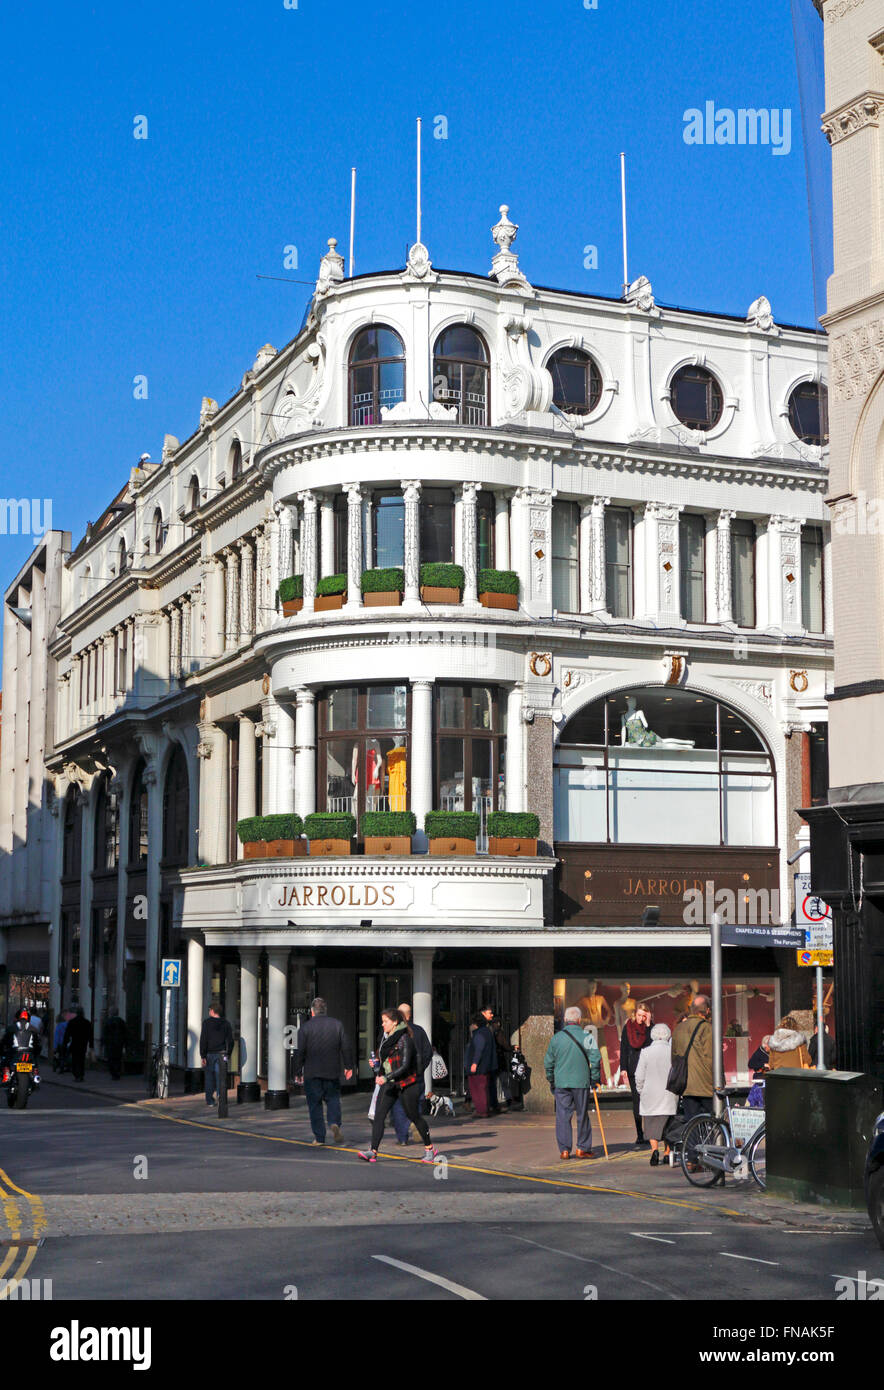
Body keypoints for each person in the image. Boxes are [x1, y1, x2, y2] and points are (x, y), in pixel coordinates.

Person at [358, 1008, 439, 1164]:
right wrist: (376, 1065)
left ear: (395, 1022)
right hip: (390, 1082)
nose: (382, 1025)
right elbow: (385, 1062)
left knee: (413, 1115)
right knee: (379, 1115)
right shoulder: (384, 1038)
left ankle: (430, 1149)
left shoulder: (404, 1039)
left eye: (385, 1021)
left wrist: (385, 1078)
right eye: (382, 1021)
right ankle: (373, 1151)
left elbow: (405, 1066)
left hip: (407, 1082)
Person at [543, 1005, 602, 1159]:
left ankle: (564, 1150)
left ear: (565, 1019)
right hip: (581, 1082)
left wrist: (551, 1079)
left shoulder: (556, 1038)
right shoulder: (587, 1036)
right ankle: (582, 1148)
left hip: (561, 1082)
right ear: (579, 1020)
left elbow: (548, 1062)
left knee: (563, 1116)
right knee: (582, 1114)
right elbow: (595, 1059)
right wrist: (594, 1078)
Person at [293, 997, 354, 1144]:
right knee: (333, 1100)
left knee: (315, 1105)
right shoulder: (337, 1025)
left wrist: (297, 1072)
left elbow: (299, 1051)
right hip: (332, 1071)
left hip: (312, 1072)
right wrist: (348, 1066)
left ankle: (319, 1137)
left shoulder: (305, 1028)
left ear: (312, 1012)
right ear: (325, 1010)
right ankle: (334, 1123)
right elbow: (346, 1046)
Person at [634, 1023, 678, 1167]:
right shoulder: (673, 1051)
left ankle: (654, 1150)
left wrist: (641, 1090)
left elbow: (639, 1075)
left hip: (650, 1093)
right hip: (669, 1093)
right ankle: (667, 1152)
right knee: (668, 1124)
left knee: (651, 1123)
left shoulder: (645, 1052)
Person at [392, 1001, 432, 1142]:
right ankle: (416, 1123)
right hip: (417, 1076)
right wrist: (421, 1069)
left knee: (398, 1106)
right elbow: (428, 1052)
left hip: (399, 1076)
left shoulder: (395, 1031)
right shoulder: (419, 1031)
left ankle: (402, 1137)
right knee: (416, 1103)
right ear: (409, 1016)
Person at [671, 995, 714, 1126]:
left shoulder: (679, 1028)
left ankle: (692, 1146)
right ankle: (710, 1145)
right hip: (706, 1085)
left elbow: (674, 1058)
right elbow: (711, 1058)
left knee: (692, 1123)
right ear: (707, 1010)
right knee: (712, 1122)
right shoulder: (707, 1028)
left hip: (686, 1085)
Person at [619, 1002, 653, 1147]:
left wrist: (649, 1024)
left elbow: (653, 1043)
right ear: (635, 1014)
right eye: (639, 1015)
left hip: (648, 1068)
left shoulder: (650, 1028)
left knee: (650, 1101)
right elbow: (624, 1047)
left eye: (644, 1016)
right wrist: (623, 1067)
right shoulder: (629, 1027)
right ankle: (640, 1134)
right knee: (637, 1101)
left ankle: (651, 1134)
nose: (641, 1018)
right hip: (633, 1066)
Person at [199, 1002, 233, 1106]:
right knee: (221, 1077)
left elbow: (203, 1040)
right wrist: (228, 1054)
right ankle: (221, 1097)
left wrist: (203, 1055)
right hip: (222, 1054)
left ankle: (210, 1101)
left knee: (209, 1078)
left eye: (209, 1010)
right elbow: (230, 1041)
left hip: (210, 1054)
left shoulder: (206, 1023)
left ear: (213, 1011)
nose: (209, 1011)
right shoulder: (226, 1023)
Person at [465, 1012, 495, 1117]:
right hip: (485, 1066)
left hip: (479, 1067)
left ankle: (481, 1110)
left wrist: (474, 1063)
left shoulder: (479, 1034)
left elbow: (479, 1049)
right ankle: (484, 1109)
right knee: (483, 1088)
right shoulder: (487, 1032)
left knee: (477, 1088)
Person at [479, 1006, 503, 1114]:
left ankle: (491, 1105)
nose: (492, 1015)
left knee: (491, 1083)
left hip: (490, 1059)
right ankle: (486, 1106)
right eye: (490, 1013)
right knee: (485, 1084)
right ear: (483, 1013)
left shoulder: (489, 1026)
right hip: (485, 1060)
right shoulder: (481, 1027)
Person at [63, 1007, 93, 1083]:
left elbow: (67, 1034)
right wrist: (91, 1045)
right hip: (83, 1043)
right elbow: (90, 1035)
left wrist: (65, 1043)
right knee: (81, 1059)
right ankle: (81, 1075)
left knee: (75, 1059)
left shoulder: (72, 1022)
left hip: (75, 1043)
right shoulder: (87, 1022)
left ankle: (76, 1075)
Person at [104, 1011, 128, 1080]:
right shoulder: (121, 1021)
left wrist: (104, 1042)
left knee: (111, 1059)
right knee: (118, 1059)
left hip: (110, 1044)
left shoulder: (108, 1021)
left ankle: (113, 1074)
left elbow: (105, 1033)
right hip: (119, 1044)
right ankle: (117, 1073)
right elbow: (125, 1033)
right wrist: (125, 1044)